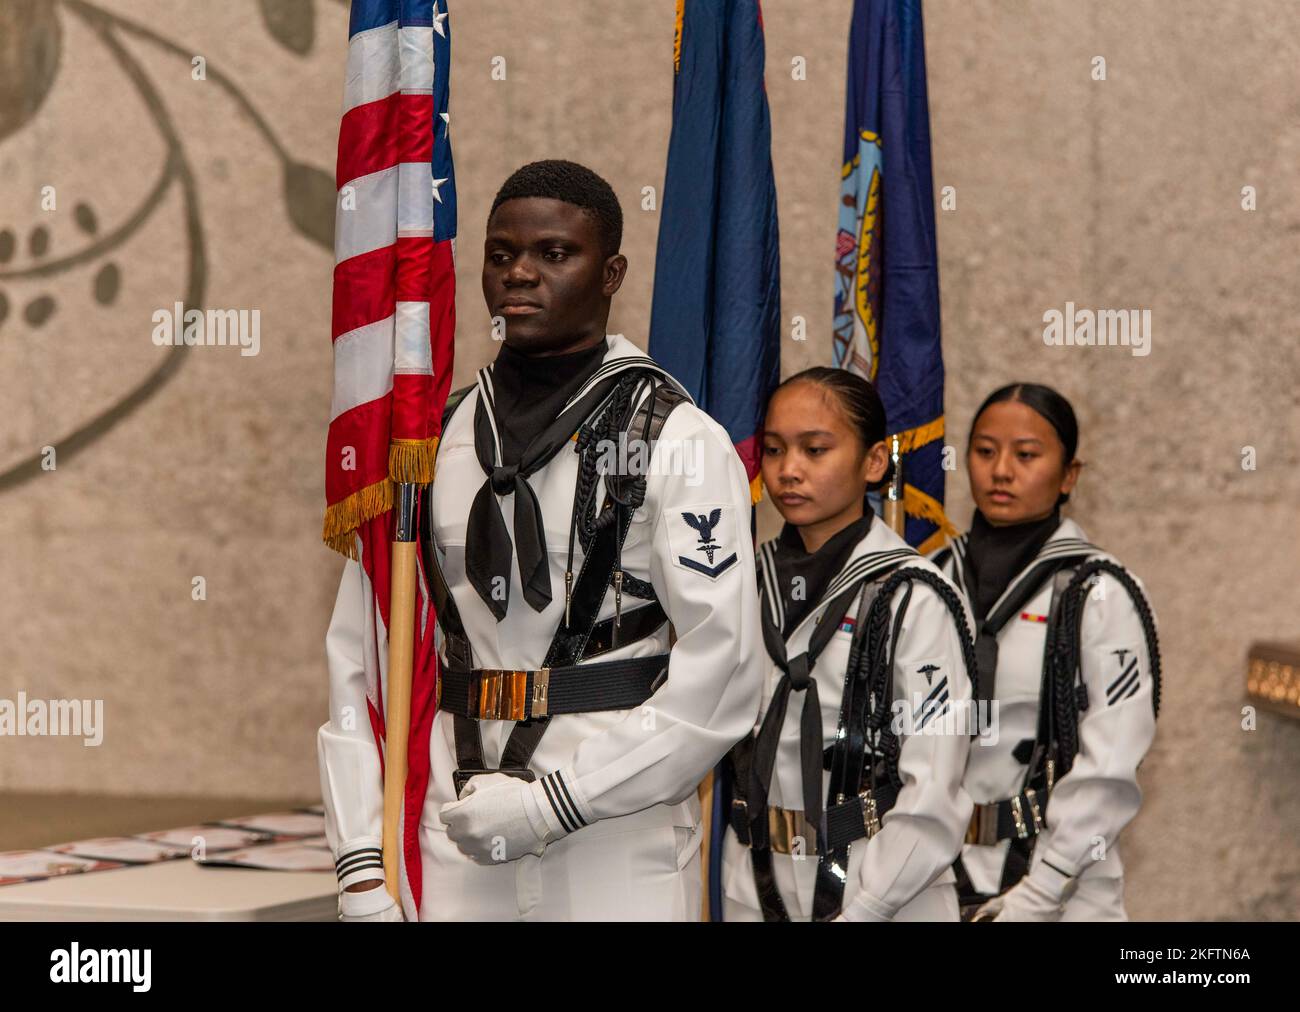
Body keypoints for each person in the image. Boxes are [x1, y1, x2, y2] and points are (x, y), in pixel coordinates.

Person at [318, 159, 764, 921]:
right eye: (502, 254)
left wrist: (558, 802)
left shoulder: (677, 440)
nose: (521, 273)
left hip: (613, 835)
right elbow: (363, 654)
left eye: (555, 254)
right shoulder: (428, 444)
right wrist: (359, 864)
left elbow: (723, 674)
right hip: (452, 832)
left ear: (611, 271)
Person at [721, 368, 977, 922]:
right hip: (752, 882)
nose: (789, 470)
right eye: (773, 449)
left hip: (884, 890)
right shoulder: (740, 583)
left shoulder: (913, 595)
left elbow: (934, 785)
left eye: (816, 450)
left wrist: (867, 909)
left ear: (874, 462)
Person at [930, 382, 1160, 921]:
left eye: (1026, 454)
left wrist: (1040, 892)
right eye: (985, 452)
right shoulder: (931, 578)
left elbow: (1111, 762)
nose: (1001, 470)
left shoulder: (1099, 591)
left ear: (1069, 475)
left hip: (1062, 890)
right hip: (933, 879)